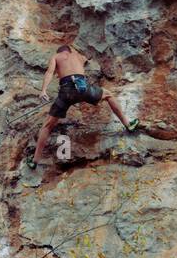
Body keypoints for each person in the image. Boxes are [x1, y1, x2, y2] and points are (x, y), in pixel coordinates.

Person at [27, 41, 138, 169]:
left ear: (60, 52)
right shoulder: (78, 56)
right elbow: (86, 59)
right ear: (69, 50)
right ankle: (128, 124)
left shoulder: (56, 57)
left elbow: (50, 72)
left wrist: (44, 90)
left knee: (47, 126)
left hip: (66, 91)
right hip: (83, 88)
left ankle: (34, 161)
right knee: (108, 95)